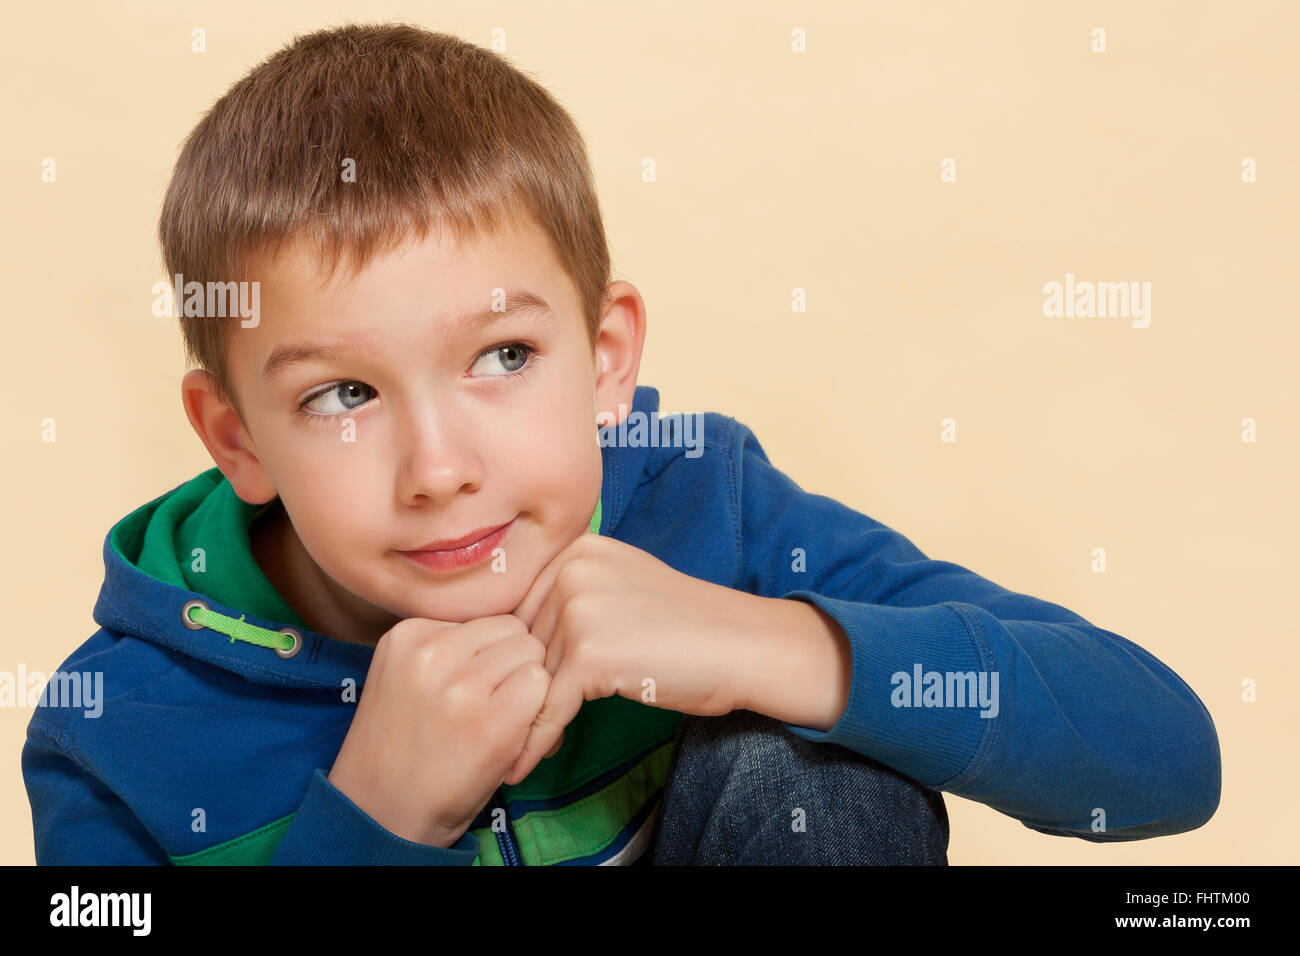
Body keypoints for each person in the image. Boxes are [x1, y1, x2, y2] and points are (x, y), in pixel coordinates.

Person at [22, 23, 1220, 865]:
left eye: (503, 357)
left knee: (816, 772)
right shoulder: (113, 732)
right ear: (237, 438)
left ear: (606, 360)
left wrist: (762, 642)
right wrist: (376, 816)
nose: (440, 468)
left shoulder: (711, 507)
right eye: (343, 392)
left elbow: (1167, 756)